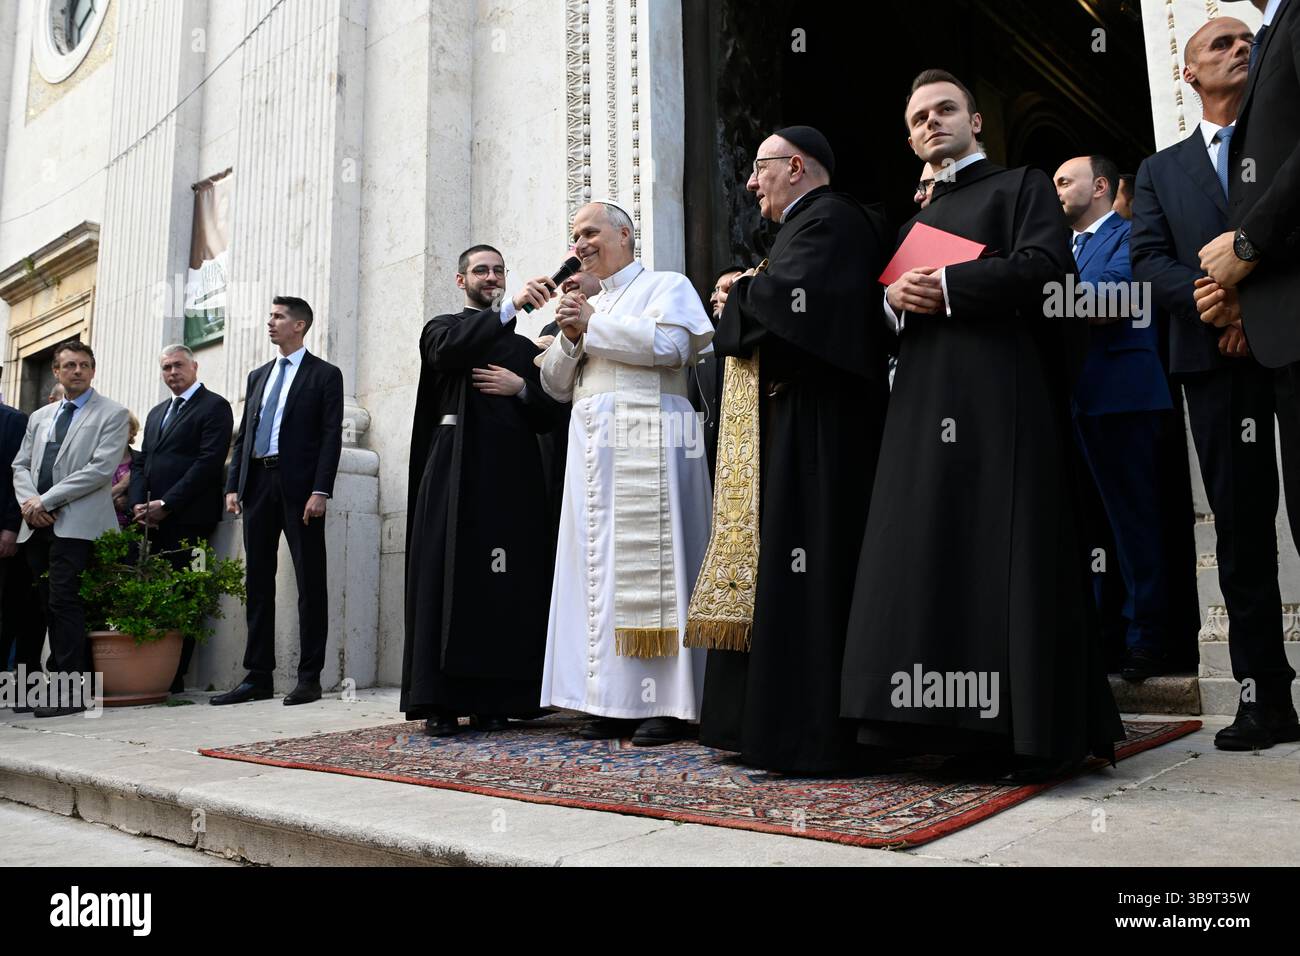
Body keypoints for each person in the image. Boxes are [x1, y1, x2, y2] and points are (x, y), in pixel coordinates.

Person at [841, 70, 1124, 781]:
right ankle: (938, 726)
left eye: (944, 110)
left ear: (975, 122)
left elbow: (1046, 271)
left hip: (999, 396)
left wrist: (948, 286)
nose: (930, 124)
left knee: (1001, 550)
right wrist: (894, 305)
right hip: (920, 408)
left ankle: (1020, 732)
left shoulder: (1021, 185)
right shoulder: (909, 223)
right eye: (917, 119)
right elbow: (886, 317)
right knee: (932, 550)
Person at [690, 127, 891, 773]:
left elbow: (801, 312)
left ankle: (809, 733)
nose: (751, 184)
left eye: (760, 169)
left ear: (796, 166)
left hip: (823, 428)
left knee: (812, 567)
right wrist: (749, 289)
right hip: (802, 420)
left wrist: (740, 293)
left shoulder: (830, 221)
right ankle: (774, 724)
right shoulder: (808, 228)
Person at [1153, 13, 1298, 750]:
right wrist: (1212, 300)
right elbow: (1149, 258)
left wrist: (1253, 297)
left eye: (1249, 41)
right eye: (1221, 45)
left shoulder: (1283, 140)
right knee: (1242, 539)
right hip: (1215, 366)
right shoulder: (1159, 170)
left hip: (1290, 337)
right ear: (1189, 74)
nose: (1241, 50)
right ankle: (1264, 699)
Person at [538, 201, 714, 746]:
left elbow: (675, 347)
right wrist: (569, 339)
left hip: (653, 442)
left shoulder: (667, 284)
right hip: (592, 451)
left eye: (589, 232)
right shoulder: (583, 304)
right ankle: (608, 699)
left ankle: (666, 701)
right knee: (597, 572)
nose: (580, 244)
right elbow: (555, 385)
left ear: (624, 234)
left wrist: (596, 324)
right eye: (574, 236)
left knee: (657, 566)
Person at [401, 245, 564, 736]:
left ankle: (498, 699)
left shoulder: (523, 350)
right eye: (481, 270)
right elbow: (450, 354)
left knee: (503, 587)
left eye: (497, 270)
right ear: (461, 280)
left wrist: (522, 389)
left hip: (510, 481)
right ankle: (442, 702)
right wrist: (510, 306)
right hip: (453, 475)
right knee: (445, 580)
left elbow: (550, 416)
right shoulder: (444, 329)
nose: (490, 276)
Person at [1053, 154, 1173, 680]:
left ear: (1100, 186)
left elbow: (1118, 297)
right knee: (1091, 529)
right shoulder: (1056, 249)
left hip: (1122, 398)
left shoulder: (1130, 235)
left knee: (1135, 525)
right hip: (1073, 403)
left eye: (1064, 180)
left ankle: (1148, 638)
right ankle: (1104, 637)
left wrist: (1038, 296)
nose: (1054, 189)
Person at [213, 297, 343, 706]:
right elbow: (243, 435)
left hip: (301, 489)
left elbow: (330, 435)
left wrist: (320, 490)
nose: (270, 322)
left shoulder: (325, 375)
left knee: (309, 583)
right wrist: (234, 484)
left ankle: (309, 678)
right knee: (258, 582)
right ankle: (258, 676)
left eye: (278, 317)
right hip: (258, 487)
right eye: (270, 315)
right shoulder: (258, 376)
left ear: (300, 325)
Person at [11, 341, 130, 717]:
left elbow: (98, 470)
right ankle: (56, 683)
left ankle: (72, 691)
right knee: (46, 604)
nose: (76, 371)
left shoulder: (112, 414)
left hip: (77, 524)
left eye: (84, 365)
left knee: (65, 601)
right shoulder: (39, 417)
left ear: (93, 371)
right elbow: (20, 466)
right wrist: (31, 505)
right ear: (57, 372)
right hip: (36, 525)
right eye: (69, 365)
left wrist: (46, 502)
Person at [131, 344, 234, 692]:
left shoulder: (214, 407)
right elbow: (142, 461)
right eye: (166, 368)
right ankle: (151, 670)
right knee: (154, 594)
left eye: (178, 366)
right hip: (152, 522)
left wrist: (168, 503)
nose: (172, 373)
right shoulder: (157, 412)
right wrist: (139, 504)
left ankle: (175, 677)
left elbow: (208, 463)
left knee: (188, 593)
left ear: (194, 366)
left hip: (191, 522)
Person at [0, 394, 43, 688]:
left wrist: (11, 527)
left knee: (11, 610)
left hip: (6, 537)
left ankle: (17, 681)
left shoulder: (13, 421)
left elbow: (18, 479)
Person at [688, 264, 747, 478]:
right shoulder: (702, 349)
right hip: (706, 462)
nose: (715, 298)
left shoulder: (755, 347)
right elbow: (692, 407)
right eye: (714, 290)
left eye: (726, 290)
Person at [110, 412, 140, 527]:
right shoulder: (95, 460)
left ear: (131, 432)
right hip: (100, 530)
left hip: (133, 529)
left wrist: (130, 502)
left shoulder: (141, 460)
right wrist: (124, 484)